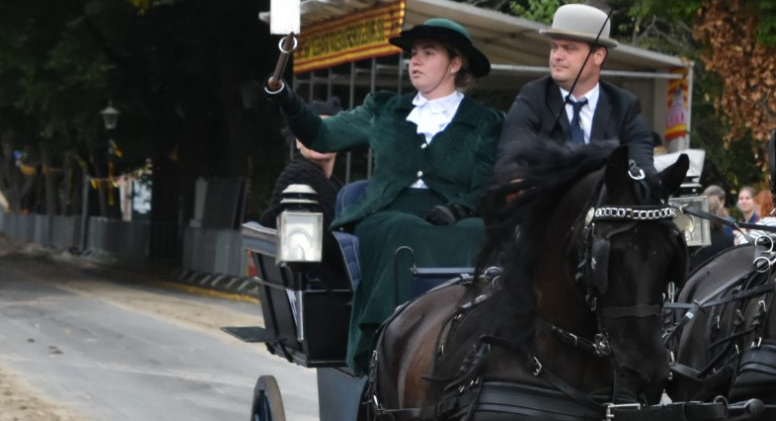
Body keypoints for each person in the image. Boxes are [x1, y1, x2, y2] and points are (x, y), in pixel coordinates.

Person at [270, 17, 502, 373]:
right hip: (388, 213)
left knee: (480, 234)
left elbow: (484, 185)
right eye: (412, 54)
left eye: (428, 53)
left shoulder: (486, 122)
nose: (415, 62)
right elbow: (321, 135)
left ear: (456, 64)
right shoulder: (384, 109)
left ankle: (472, 337)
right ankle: (385, 340)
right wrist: (287, 98)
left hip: (456, 215)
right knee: (401, 230)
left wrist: (460, 209)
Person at [498, 3, 656, 176]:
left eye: (569, 48)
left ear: (598, 55)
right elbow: (509, 157)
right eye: (554, 47)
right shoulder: (533, 97)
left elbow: (643, 171)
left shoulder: (625, 106)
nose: (557, 56)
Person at [258, 97, 342, 228]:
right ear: (297, 141)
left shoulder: (334, 184)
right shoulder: (298, 175)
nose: (319, 136)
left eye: (328, 129)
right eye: (310, 130)